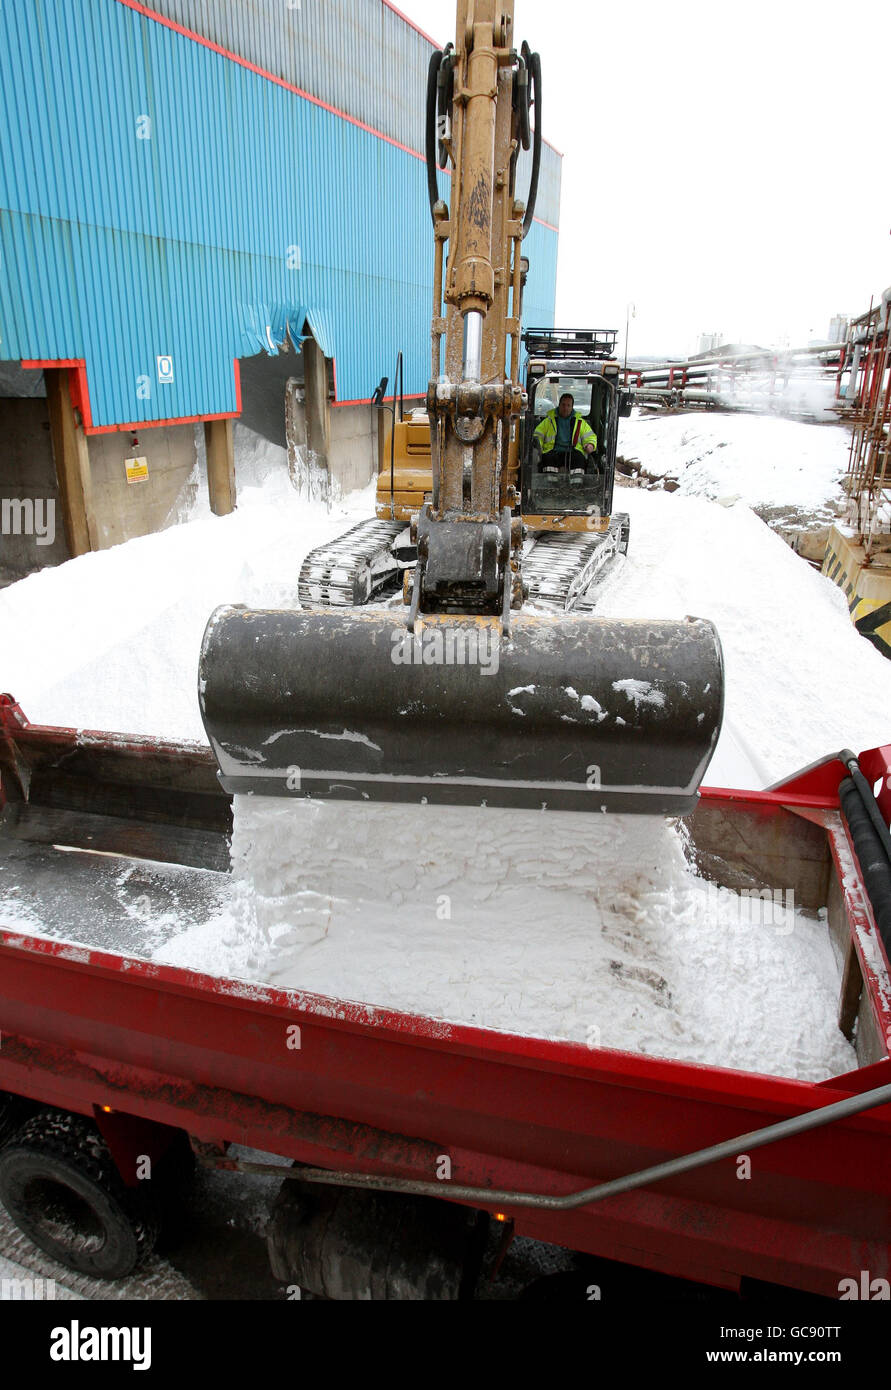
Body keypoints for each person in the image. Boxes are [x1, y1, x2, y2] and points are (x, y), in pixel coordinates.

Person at [533, 393, 598, 483]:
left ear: (572, 407)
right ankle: (551, 486)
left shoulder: (580, 422)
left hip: (572, 452)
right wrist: (538, 447)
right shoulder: (549, 421)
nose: (565, 408)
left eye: (568, 405)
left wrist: (590, 444)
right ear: (559, 405)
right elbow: (538, 435)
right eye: (563, 405)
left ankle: (576, 486)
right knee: (548, 458)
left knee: (579, 458)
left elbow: (590, 436)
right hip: (554, 451)